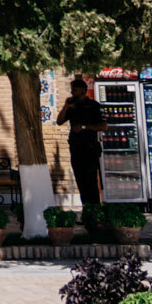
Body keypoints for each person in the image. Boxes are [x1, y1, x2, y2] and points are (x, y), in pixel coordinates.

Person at [56, 76, 108, 215]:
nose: (73, 93)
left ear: (83, 91)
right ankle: (87, 210)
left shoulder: (94, 106)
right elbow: (59, 121)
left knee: (91, 182)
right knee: (81, 182)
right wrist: (66, 106)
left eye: (76, 91)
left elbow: (103, 126)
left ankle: (95, 212)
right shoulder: (72, 107)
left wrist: (84, 127)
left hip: (90, 149)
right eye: (72, 91)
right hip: (76, 149)